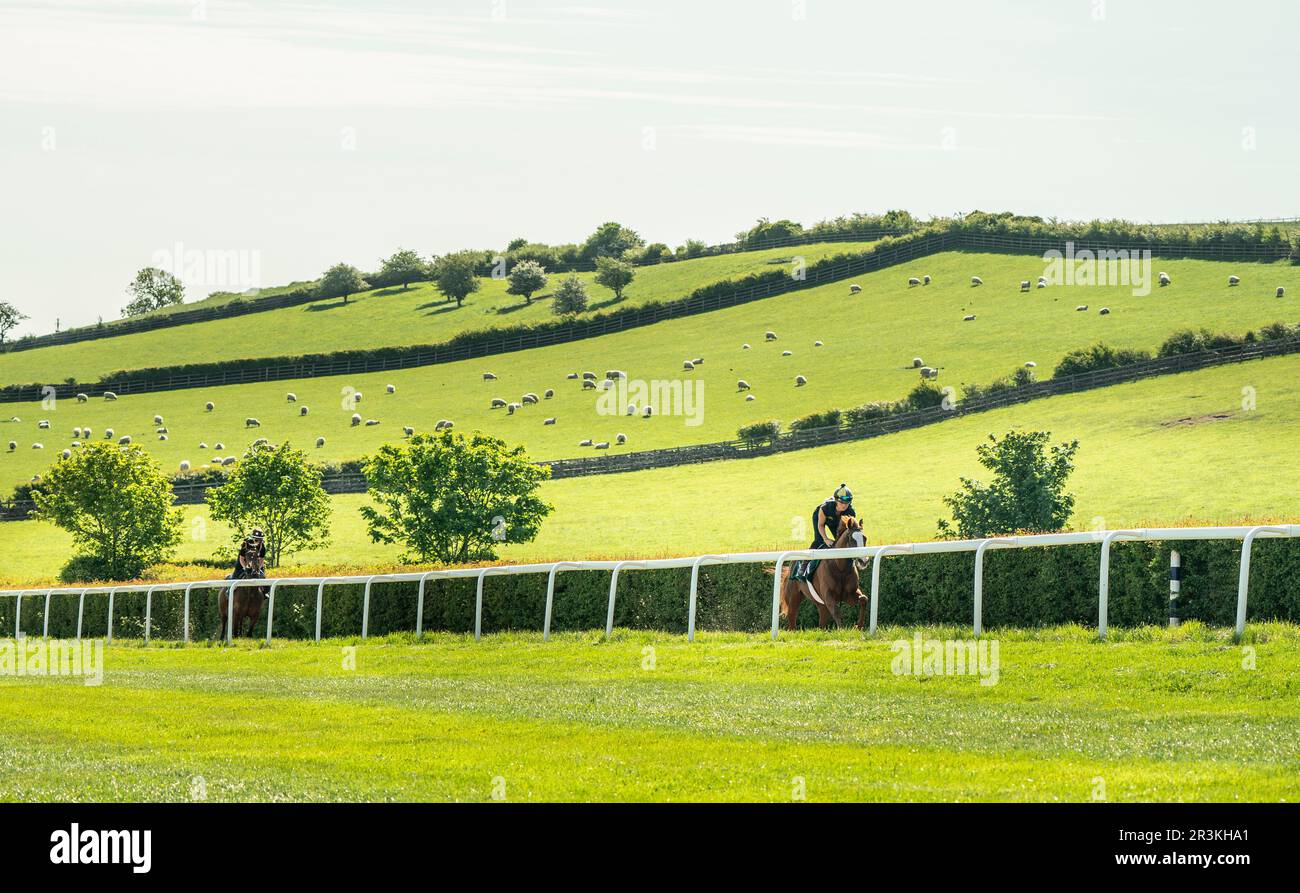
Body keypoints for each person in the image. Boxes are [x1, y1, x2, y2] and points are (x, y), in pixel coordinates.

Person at [793, 484, 856, 580]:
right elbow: (821, 525)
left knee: (841, 541)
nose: (844, 505)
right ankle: (804, 565)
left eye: (847, 503)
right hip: (821, 519)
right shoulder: (825, 507)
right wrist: (825, 539)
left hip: (838, 521)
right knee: (819, 540)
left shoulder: (851, 512)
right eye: (841, 502)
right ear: (836, 500)